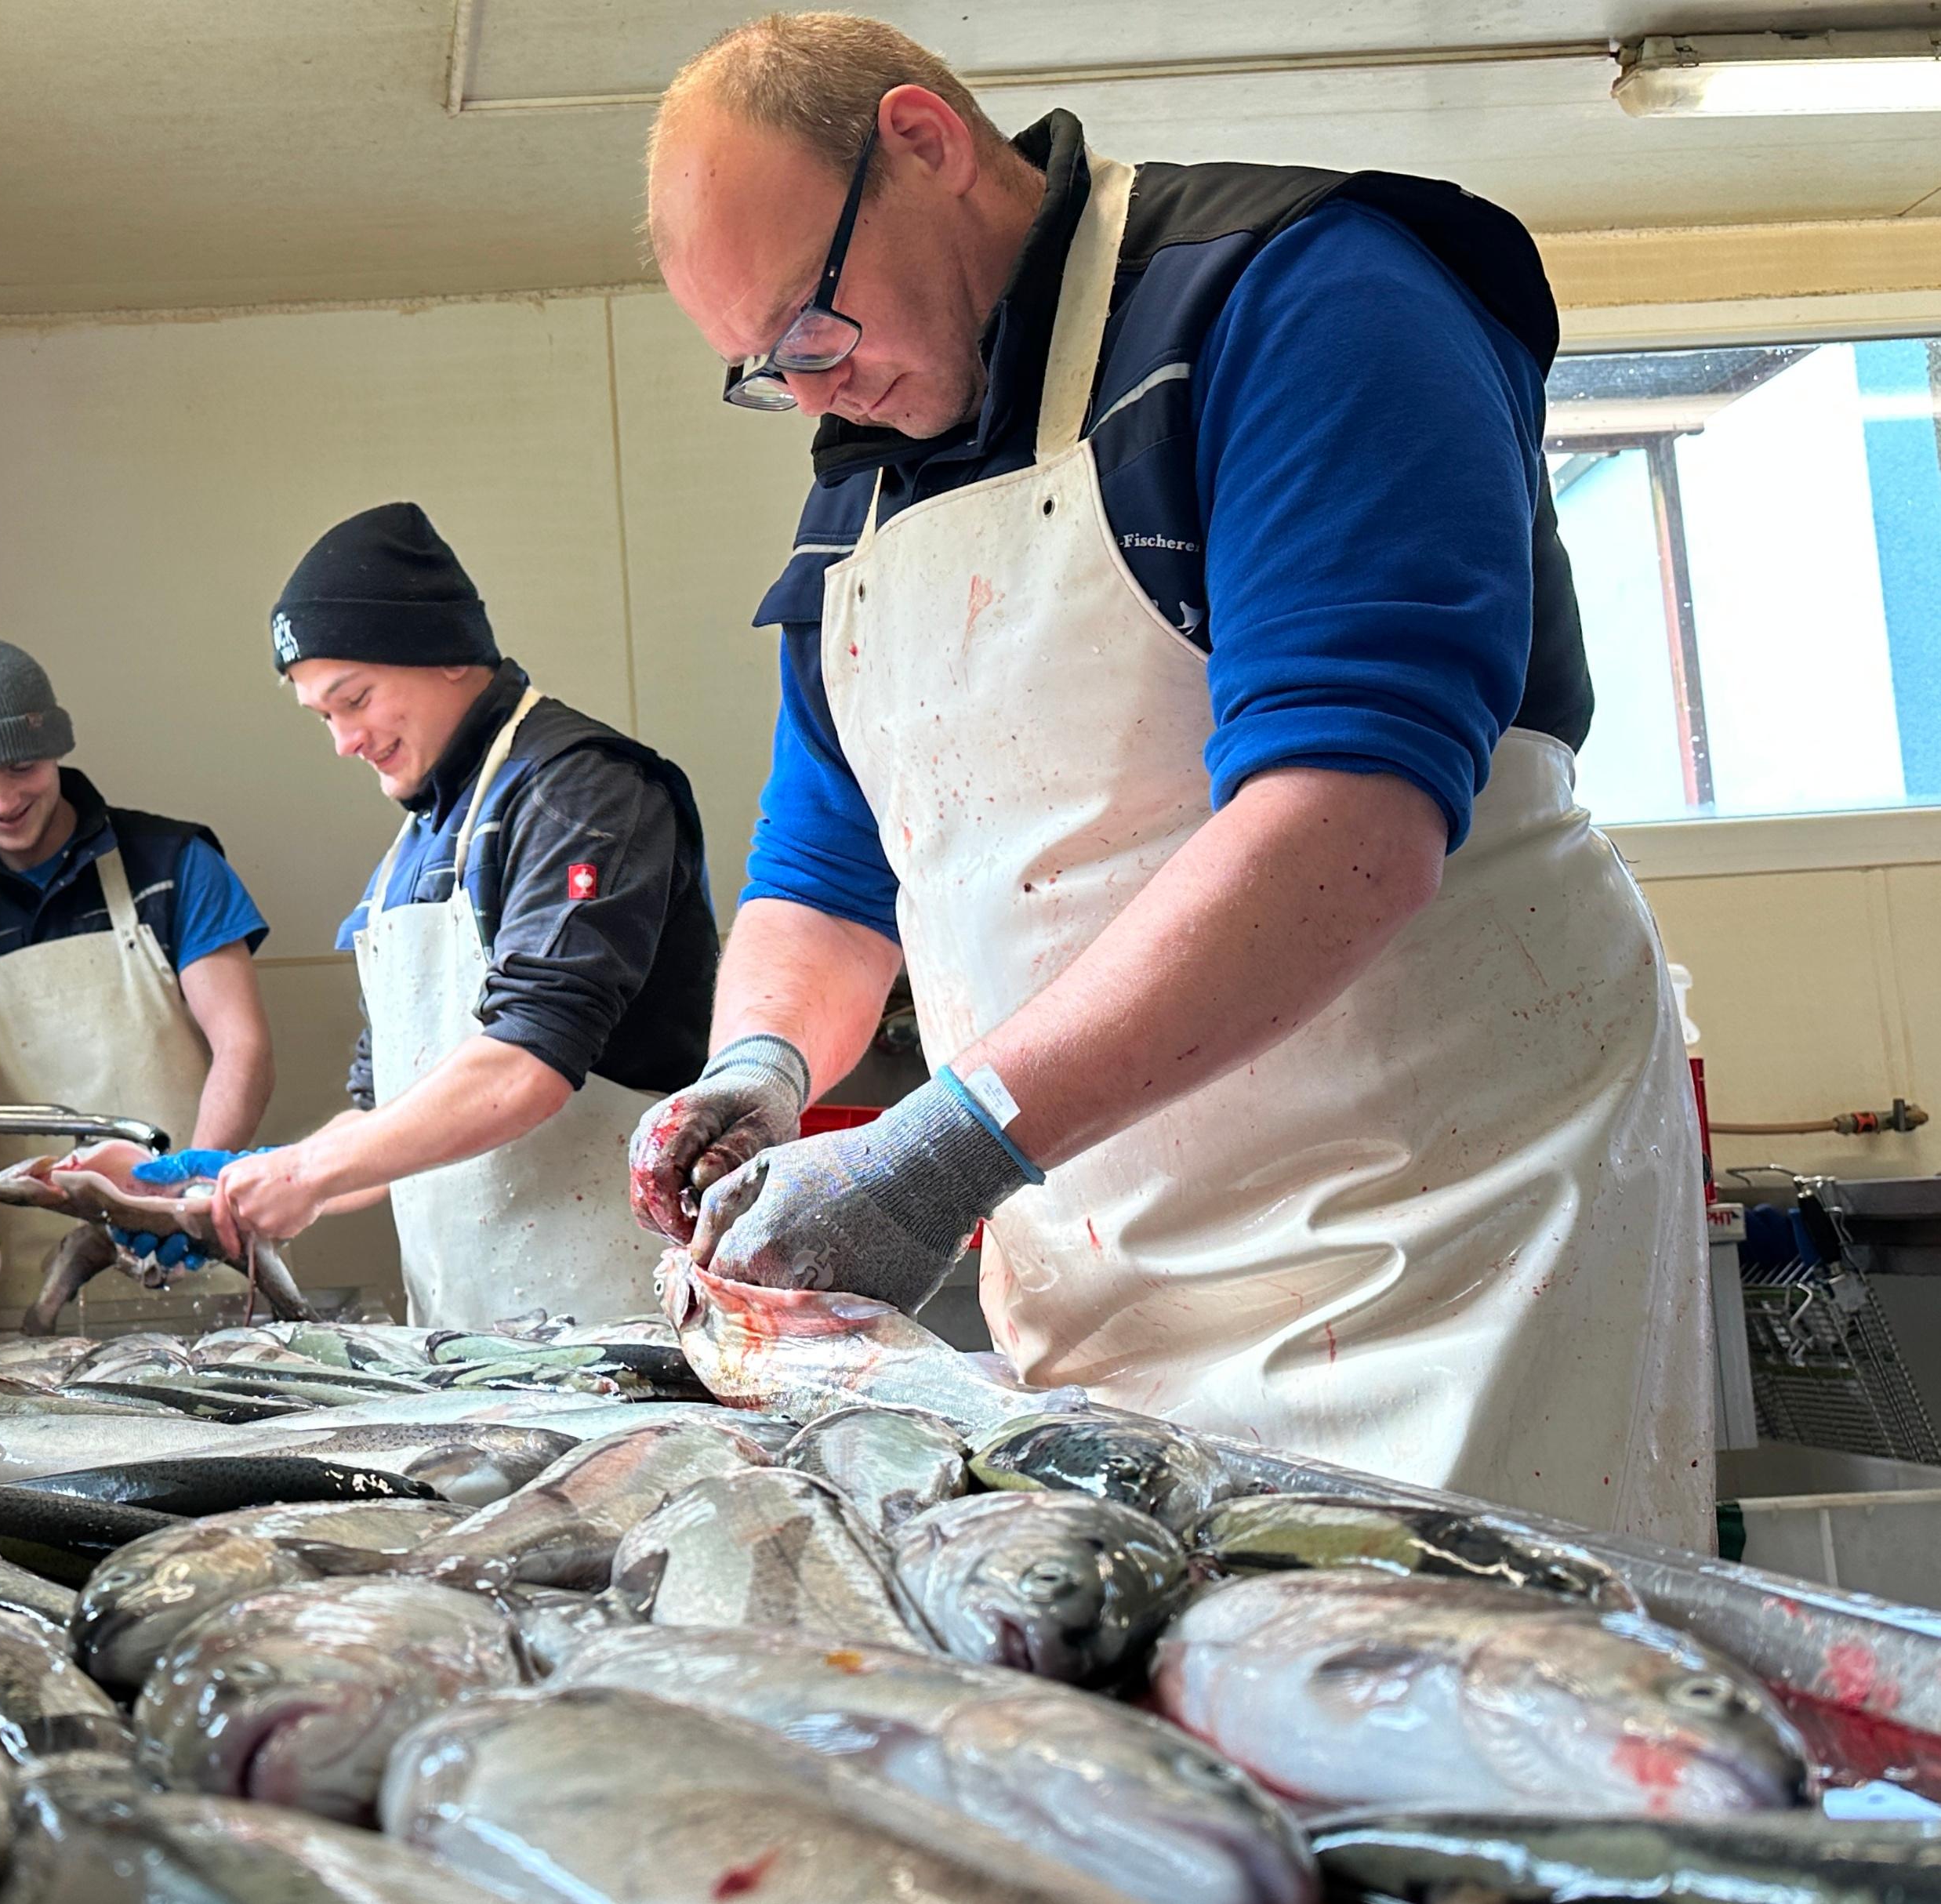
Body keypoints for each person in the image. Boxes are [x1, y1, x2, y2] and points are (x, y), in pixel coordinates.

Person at [631, 14, 1707, 1543]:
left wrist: (939, 1152)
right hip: (1098, 1258)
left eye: (813, 326)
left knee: (1446, 1712)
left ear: (925, 145)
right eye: (762, 368)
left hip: (1433, 1232)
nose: (809, 391)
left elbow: (1343, 824)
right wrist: (755, 1069)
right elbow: (825, 871)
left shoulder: (1299, 294)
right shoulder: (861, 498)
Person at [201, 502, 720, 1328]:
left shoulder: (582, 792)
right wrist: (224, 1183)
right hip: (466, 1344)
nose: (343, 741)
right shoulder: (404, 857)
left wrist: (309, 1171)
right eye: (322, 716)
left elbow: (526, 1066)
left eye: (355, 699)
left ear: (443, 652)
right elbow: (384, 1122)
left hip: (620, 1329)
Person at [0, 637, 274, 1327]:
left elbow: (244, 1047)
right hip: (45, 1304)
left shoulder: (175, 865)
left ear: (57, 746)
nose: (0, 801)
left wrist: (188, 1193)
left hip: (206, 1255)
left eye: (21, 766)